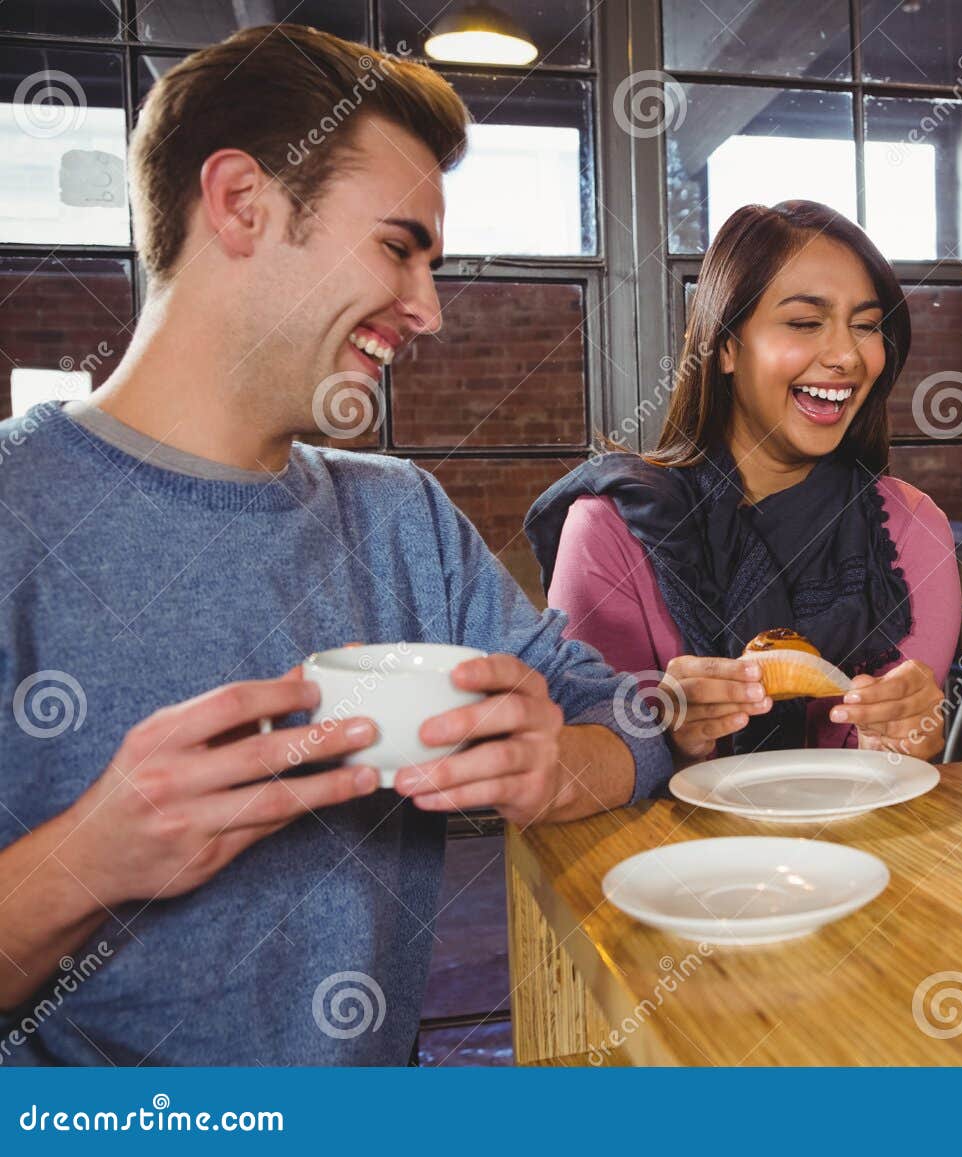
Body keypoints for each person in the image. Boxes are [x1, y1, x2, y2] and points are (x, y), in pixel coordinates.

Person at [0, 24, 669, 1065]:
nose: (430, 310)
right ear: (239, 203)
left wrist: (558, 766)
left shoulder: (403, 516)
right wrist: (92, 854)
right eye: (399, 247)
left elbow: (628, 713)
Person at [526, 201, 961, 762]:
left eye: (866, 326)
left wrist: (912, 735)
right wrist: (660, 732)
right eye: (805, 323)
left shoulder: (911, 530)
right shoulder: (610, 528)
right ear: (726, 346)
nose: (846, 356)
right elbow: (575, 760)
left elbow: (884, 768)